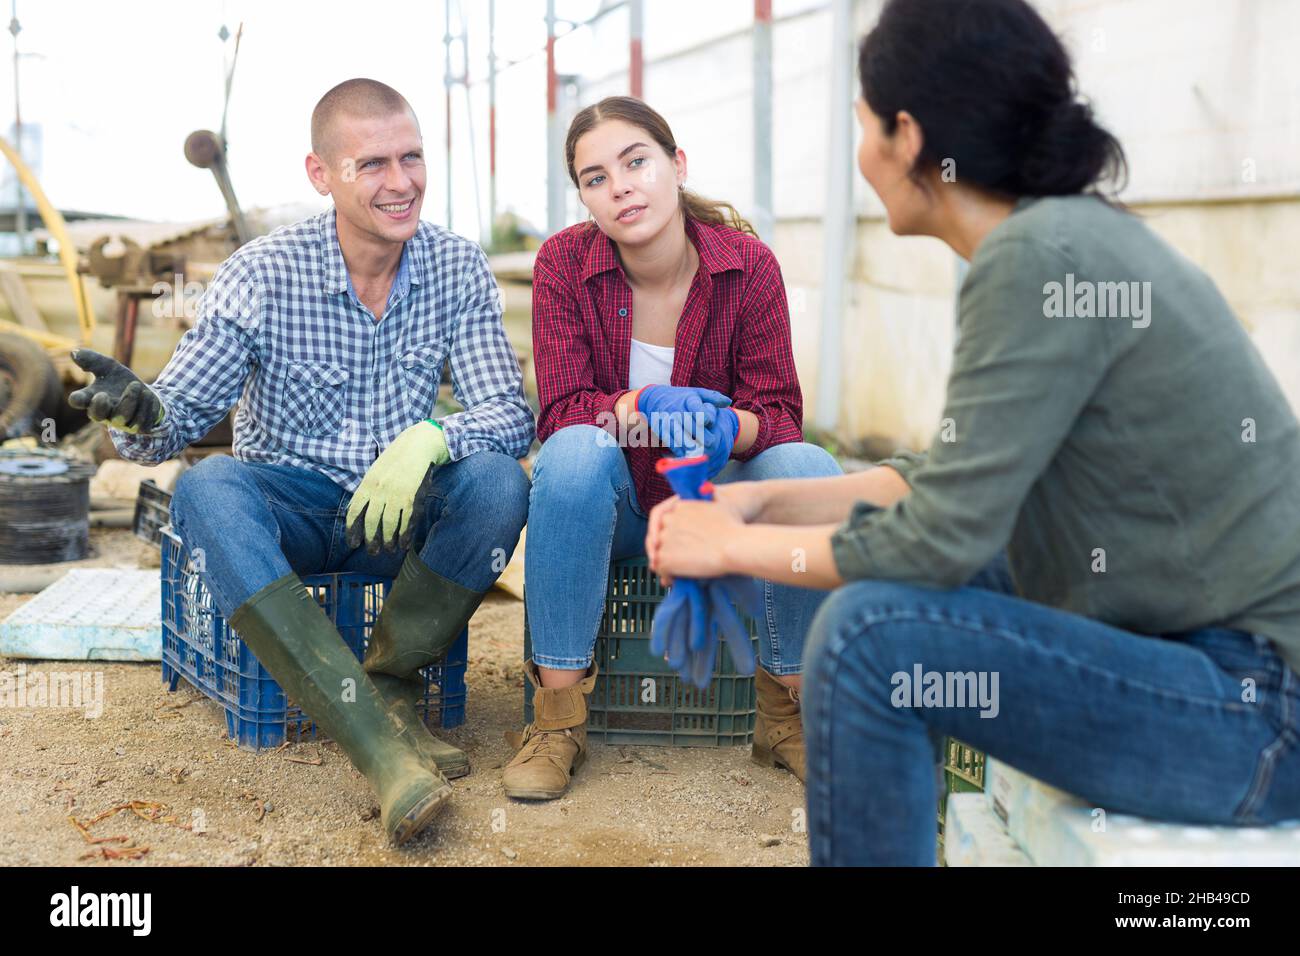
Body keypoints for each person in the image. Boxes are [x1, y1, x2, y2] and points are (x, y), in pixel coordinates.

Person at [648, 0, 1300, 865]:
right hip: (1215, 669)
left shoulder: (1039, 259)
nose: (861, 155)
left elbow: (938, 542)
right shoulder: (1063, 241)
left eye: (864, 126)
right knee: (920, 578)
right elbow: (937, 481)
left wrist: (729, 548)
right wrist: (762, 498)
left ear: (909, 137)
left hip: (1253, 715)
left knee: (869, 636)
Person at [68, 78, 533, 845]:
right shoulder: (262, 274)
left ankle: (390, 683)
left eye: (412, 157)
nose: (402, 181)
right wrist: (143, 410)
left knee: (494, 481)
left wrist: (431, 439)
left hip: (402, 522)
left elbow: (509, 414)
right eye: (372, 164)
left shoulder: (456, 268)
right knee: (208, 485)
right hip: (298, 513)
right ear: (322, 175)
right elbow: (175, 415)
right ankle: (380, 746)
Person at [504, 96, 840, 800]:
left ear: (675, 165)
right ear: (585, 198)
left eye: (636, 162)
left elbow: (780, 414)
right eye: (595, 177)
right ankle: (557, 719)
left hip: (713, 504)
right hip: (619, 508)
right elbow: (563, 410)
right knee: (570, 453)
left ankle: (787, 715)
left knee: (808, 469)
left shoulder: (748, 268)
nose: (620, 186)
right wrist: (637, 411)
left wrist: (729, 428)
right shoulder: (564, 264)